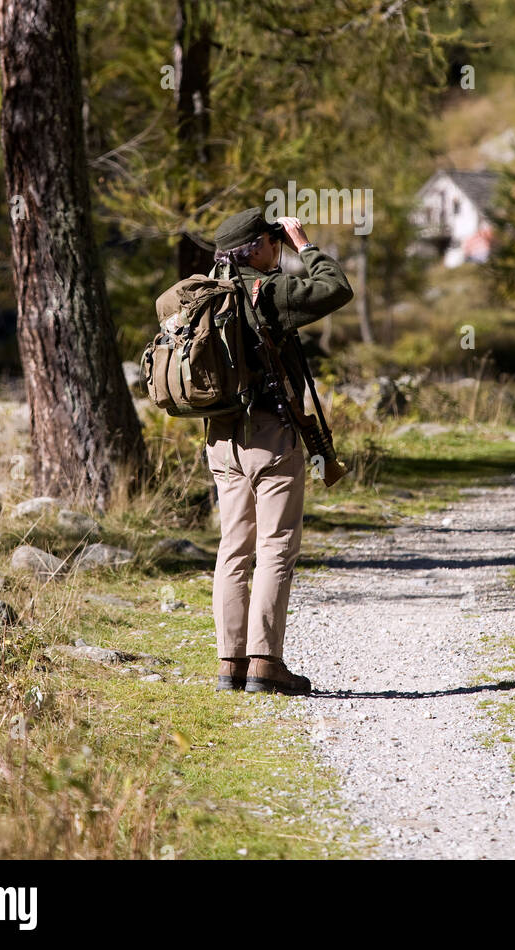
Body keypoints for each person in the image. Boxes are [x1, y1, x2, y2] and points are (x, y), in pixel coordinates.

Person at [208, 206, 353, 695]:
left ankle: (231, 665)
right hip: (269, 437)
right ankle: (266, 664)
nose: (278, 247)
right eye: (273, 240)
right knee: (275, 549)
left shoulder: (208, 292)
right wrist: (305, 246)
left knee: (233, 550)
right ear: (257, 247)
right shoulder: (265, 292)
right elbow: (336, 288)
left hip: (221, 441)